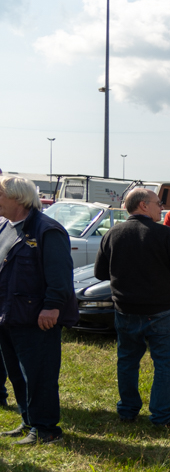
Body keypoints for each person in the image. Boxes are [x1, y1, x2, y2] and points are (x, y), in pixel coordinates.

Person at [94, 188, 170, 426]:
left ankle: (127, 410)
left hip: (125, 310)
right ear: (143, 205)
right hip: (161, 311)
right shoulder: (163, 234)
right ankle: (161, 416)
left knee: (127, 361)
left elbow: (100, 273)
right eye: (158, 203)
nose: (162, 207)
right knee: (164, 364)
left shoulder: (112, 233)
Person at [0, 176, 77, 445]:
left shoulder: (47, 230)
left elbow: (60, 276)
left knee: (39, 375)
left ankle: (46, 430)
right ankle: (29, 420)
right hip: (8, 316)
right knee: (17, 374)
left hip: (36, 318)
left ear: (17, 198)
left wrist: (52, 307)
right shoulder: (4, 227)